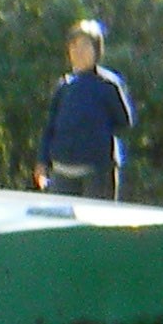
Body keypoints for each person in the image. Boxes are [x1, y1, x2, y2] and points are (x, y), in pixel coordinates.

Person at [38, 19, 134, 201]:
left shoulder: (108, 85)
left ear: (97, 50)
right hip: (62, 173)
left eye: (84, 46)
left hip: (96, 174)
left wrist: (94, 137)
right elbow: (50, 128)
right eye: (74, 46)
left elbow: (124, 122)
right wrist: (42, 162)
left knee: (97, 225)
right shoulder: (64, 87)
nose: (78, 51)